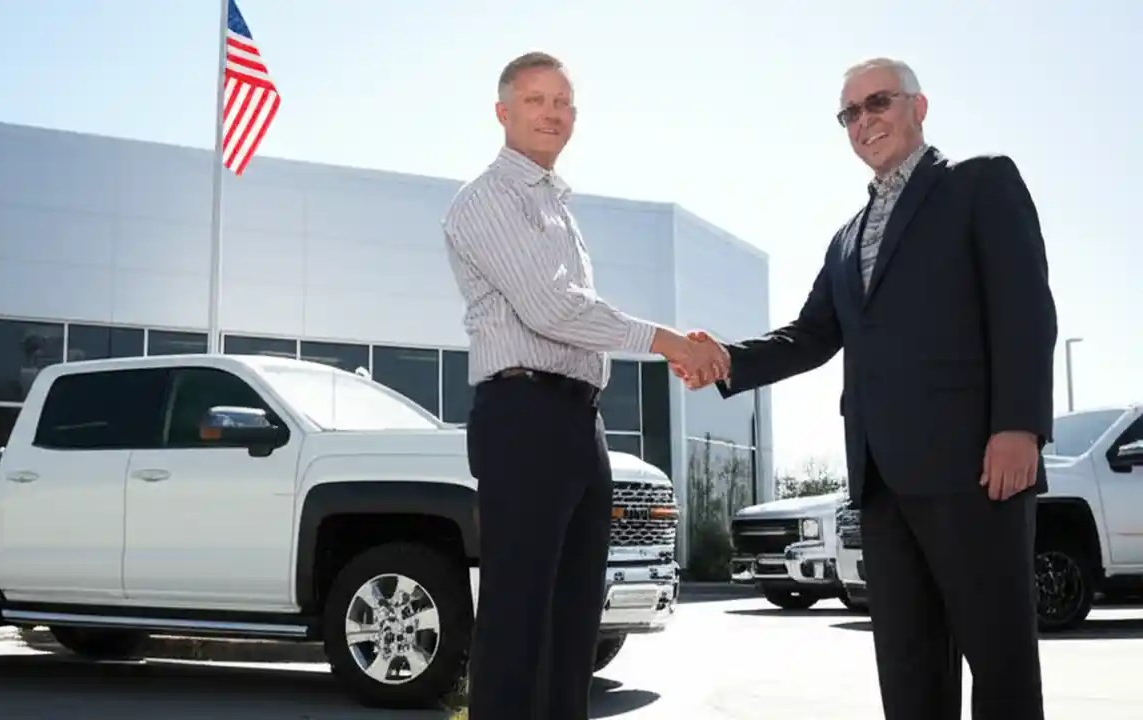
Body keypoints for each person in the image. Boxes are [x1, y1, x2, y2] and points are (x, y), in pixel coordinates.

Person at [678, 57, 1056, 719]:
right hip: (882, 484)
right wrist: (723, 360)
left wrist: (1019, 425)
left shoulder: (980, 183)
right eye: (849, 114)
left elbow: (1024, 307)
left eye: (877, 103)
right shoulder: (845, 239)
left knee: (1001, 665)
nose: (863, 122)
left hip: (976, 470)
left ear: (919, 106)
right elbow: (811, 336)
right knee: (909, 672)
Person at [441, 51, 728, 720]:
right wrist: (670, 343)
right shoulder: (486, 200)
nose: (552, 113)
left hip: (576, 421)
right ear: (502, 111)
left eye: (563, 102)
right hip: (523, 416)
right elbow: (554, 309)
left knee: (573, 625)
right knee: (518, 623)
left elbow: (571, 317)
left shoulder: (555, 204)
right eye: (536, 100)